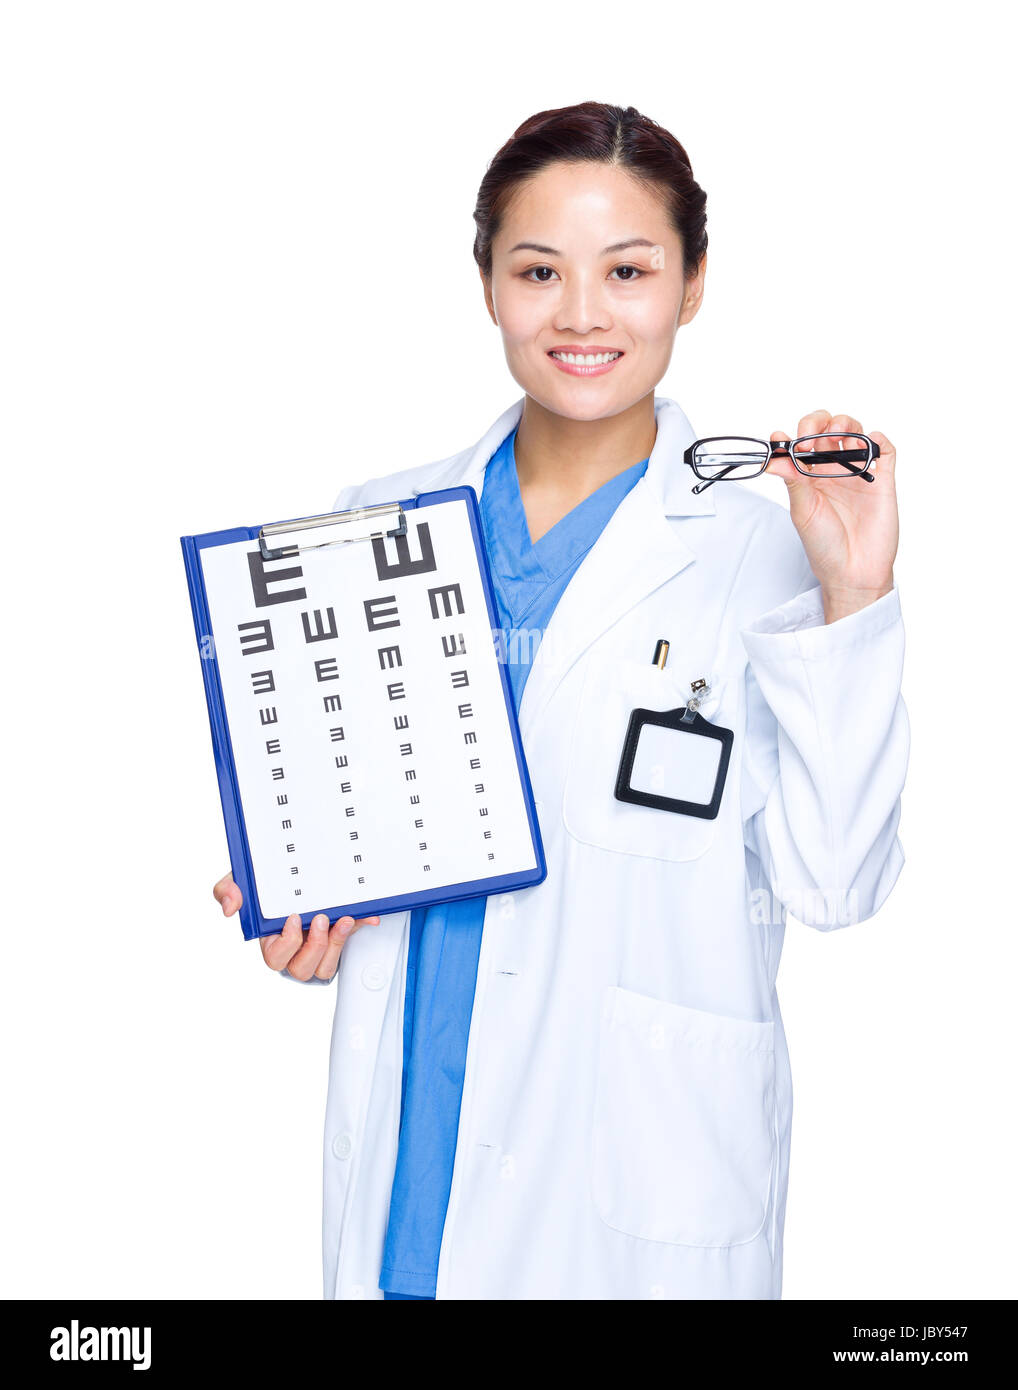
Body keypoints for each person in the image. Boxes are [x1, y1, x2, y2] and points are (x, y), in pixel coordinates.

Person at [213, 101, 907, 1300]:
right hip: (407, 1178)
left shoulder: (764, 556)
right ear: (486, 281)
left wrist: (853, 593)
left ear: (691, 285)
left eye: (628, 270)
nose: (581, 314)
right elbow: (351, 824)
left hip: (634, 1216)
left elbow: (835, 887)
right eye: (538, 270)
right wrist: (302, 903)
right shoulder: (373, 524)